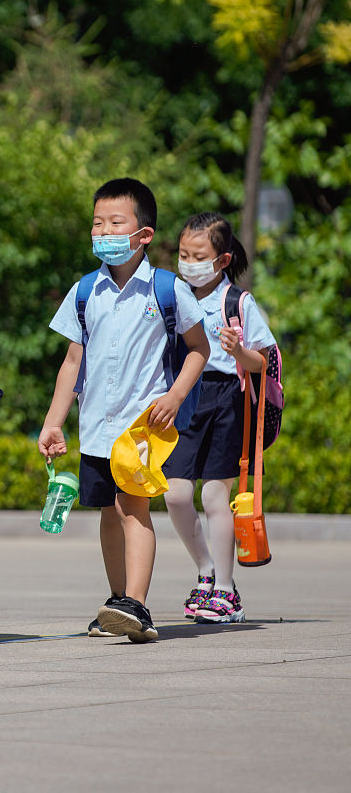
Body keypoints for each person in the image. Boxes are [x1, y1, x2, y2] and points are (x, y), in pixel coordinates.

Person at [38, 178, 209, 643]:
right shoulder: (85, 290)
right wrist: (54, 421)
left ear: (144, 234)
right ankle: (118, 603)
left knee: (132, 507)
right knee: (108, 513)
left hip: (142, 427)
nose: (104, 232)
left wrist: (174, 397)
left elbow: (199, 349)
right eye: (98, 223)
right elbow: (73, 361)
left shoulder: (167, 288)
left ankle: (136, 604)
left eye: (116, 223)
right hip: (96, 424)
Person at [162, 213, 276, 624]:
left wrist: (236, 351)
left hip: (227, 398)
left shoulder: (238, 302)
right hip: (183, 397)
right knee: (174, 494)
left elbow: (262, 361)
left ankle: (226, 592)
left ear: (223, 259)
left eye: (199, 255)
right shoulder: (172, 293)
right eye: (183, 254)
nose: (188, 263)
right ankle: (205, 570)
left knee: (214, 495)